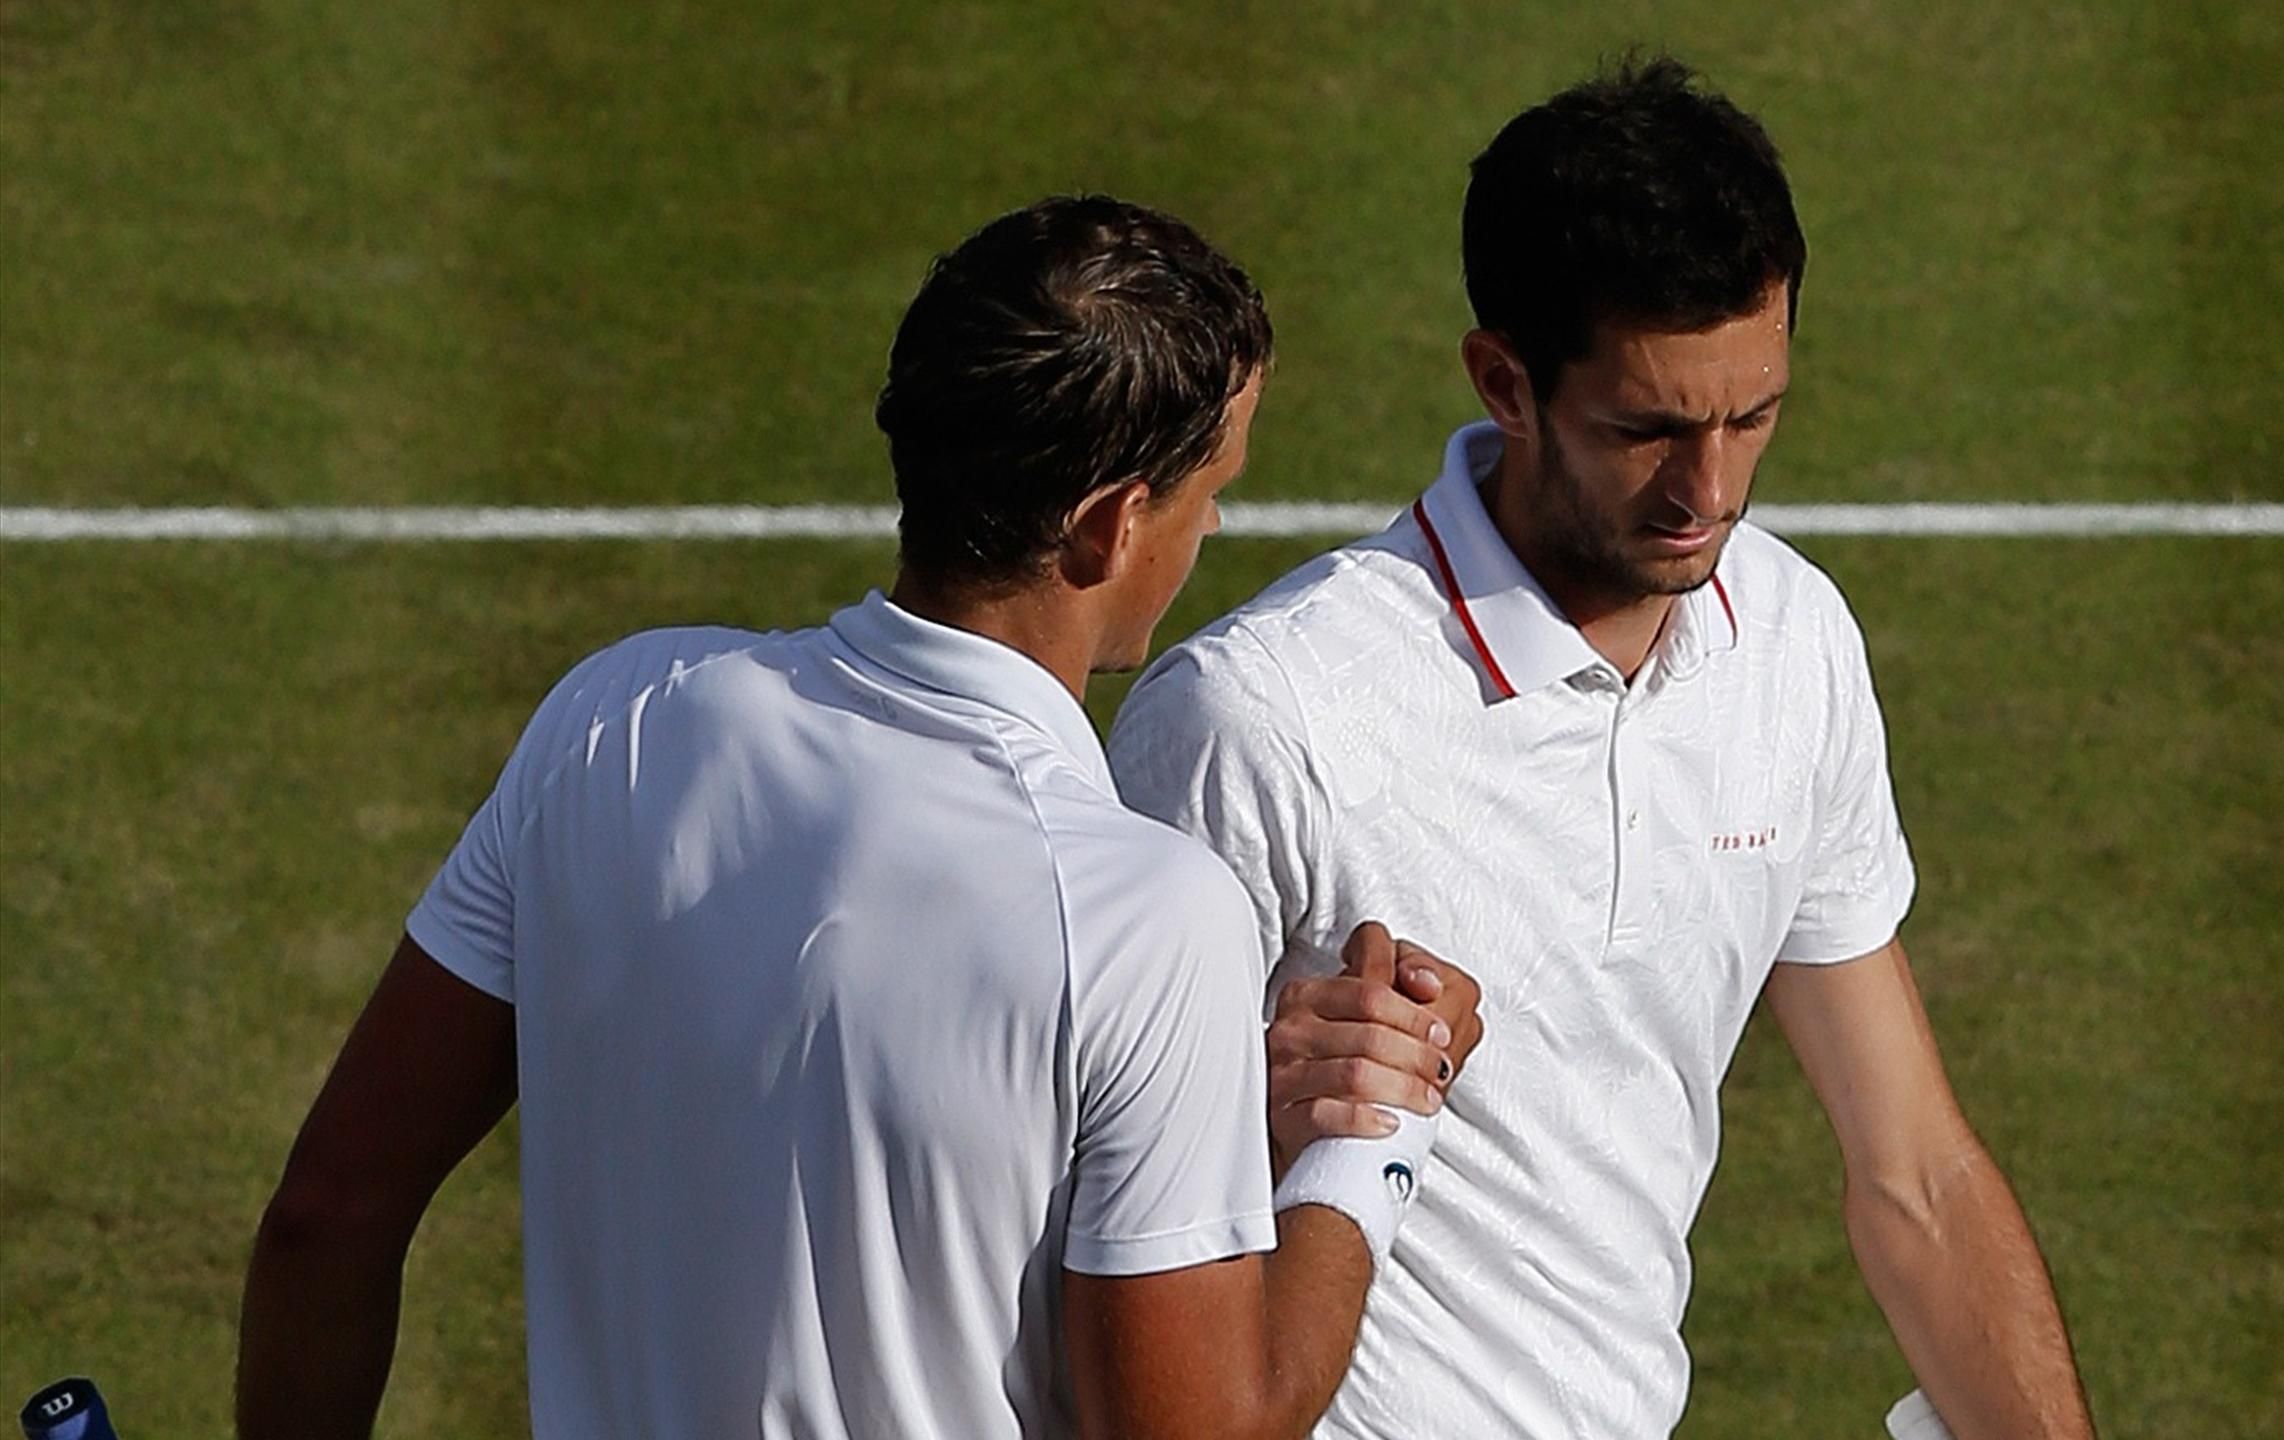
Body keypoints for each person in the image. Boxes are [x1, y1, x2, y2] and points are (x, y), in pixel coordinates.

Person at [236, 194, 1480, 1440]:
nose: (1212, 526)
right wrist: (1370, 1139)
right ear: (1109, 526)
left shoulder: (604, 724)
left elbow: (329, 1216)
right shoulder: (1147, 918)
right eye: (1209, 490)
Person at [1108, 59, 2097, 1438]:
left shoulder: (1793, 643)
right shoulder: (1260, 719)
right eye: (1649, 431)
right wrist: (1265, 1107)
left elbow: (1914, 1174)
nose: (1711, 492)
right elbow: (1069, 1205)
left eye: (1753, 417)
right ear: (1505, 383)